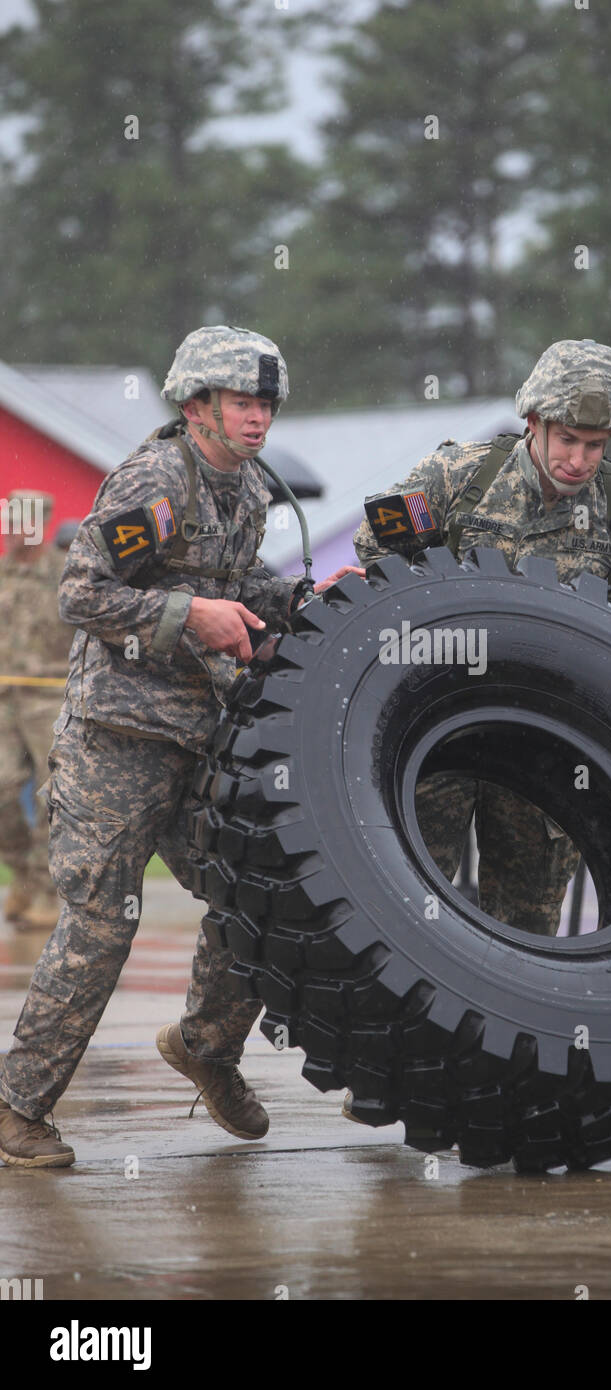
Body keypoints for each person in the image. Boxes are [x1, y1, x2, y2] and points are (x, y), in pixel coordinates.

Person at [0, 325, 363, 1168]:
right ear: (198, 405)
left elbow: (236, 591)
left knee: (255, 891)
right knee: (102, 922)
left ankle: (205, 1045)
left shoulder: (246, 491)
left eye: (267, 404)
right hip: (117, 739)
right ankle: (17, 1108)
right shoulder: (156, 480)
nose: (259, 420)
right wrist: (188, 618)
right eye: (243, 403)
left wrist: (315, 596)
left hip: (201, 734)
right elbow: (83, 591)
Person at [353, 338, 611, 937]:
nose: (579, 459)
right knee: (410, 898)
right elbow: (376, 558)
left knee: (529, 922)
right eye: (567, 440)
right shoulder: (456, 475)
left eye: (595, 446)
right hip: (437, 724)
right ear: (534, 422)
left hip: (546, 736)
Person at [0, 490, 72, 934]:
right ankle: (22, 873)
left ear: (41, 524)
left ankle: (46, 891)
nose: (12, 530)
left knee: (52, 797)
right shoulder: (3, 575)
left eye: (21, 522)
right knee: (3, 789)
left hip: (51, 698)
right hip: (4, 700)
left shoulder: (66, 575)